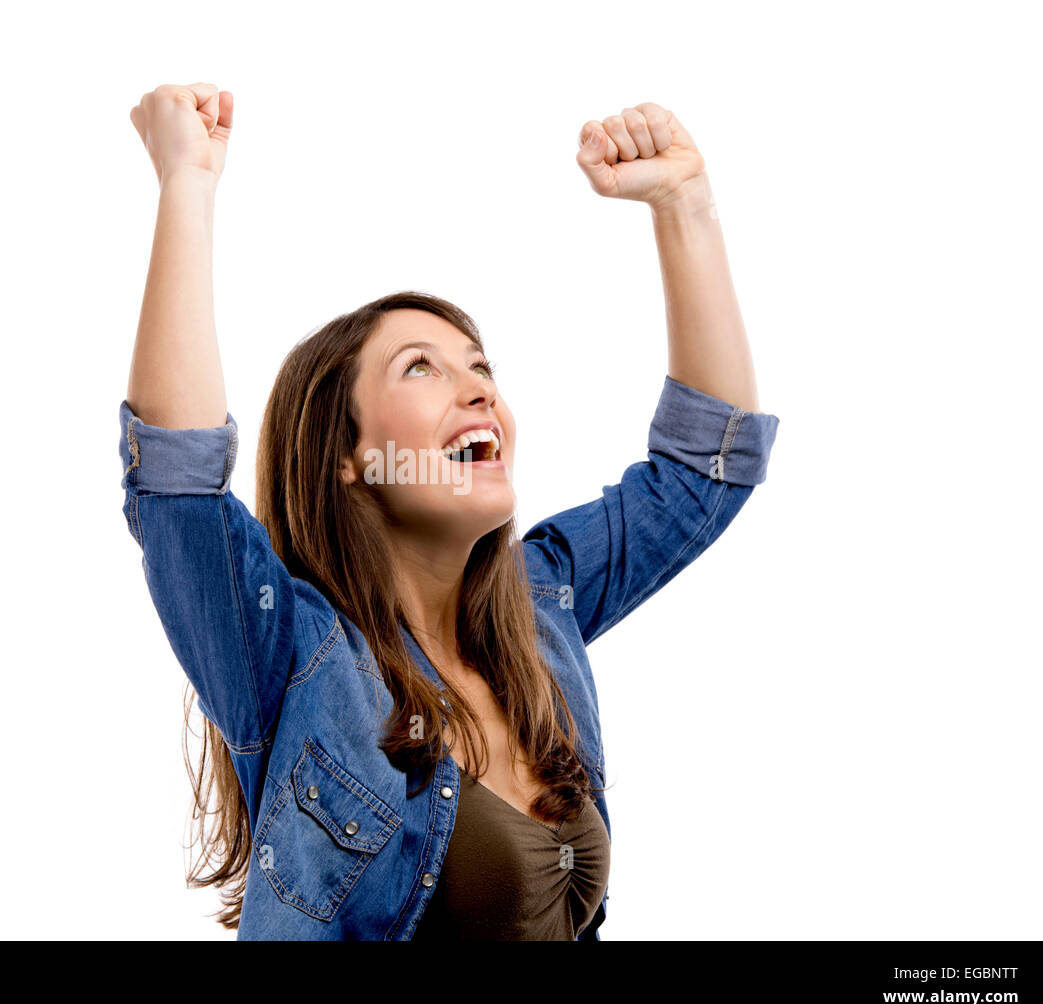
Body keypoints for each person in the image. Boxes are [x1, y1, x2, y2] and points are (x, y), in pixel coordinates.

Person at [118, 82, 780, 940]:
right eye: (421, 368)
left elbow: (707, 468)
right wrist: (187, 186)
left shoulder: (539, 601)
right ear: (348, 458)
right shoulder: (294, 658)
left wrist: (683, 203)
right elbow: (176, 485)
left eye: (481, 367)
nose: (477, 388)